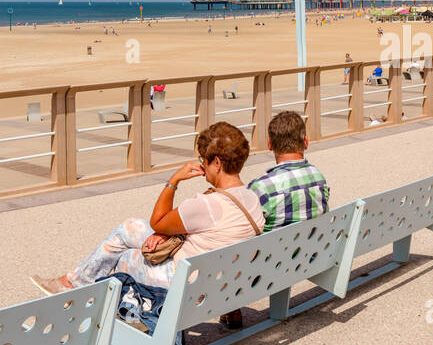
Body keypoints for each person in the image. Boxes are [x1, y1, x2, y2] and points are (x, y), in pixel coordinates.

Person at [29, 122, 263, 319]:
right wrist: (162, 233)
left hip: (190, 285)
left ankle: (128, 323)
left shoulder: (206, 205)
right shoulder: (251, 199)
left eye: (204, 160)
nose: (202, 165)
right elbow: (208, 232)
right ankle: (73, 282)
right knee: (130, 228)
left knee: (126, 256)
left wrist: (174, 180)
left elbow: (159, 220)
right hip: (225, 281)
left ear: (217, 163)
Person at [247, 111, 330, 232]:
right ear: (306, 142)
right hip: (315, 249)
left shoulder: (260, 187)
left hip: (274, 250)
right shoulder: (318, 177)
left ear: (269, 144)